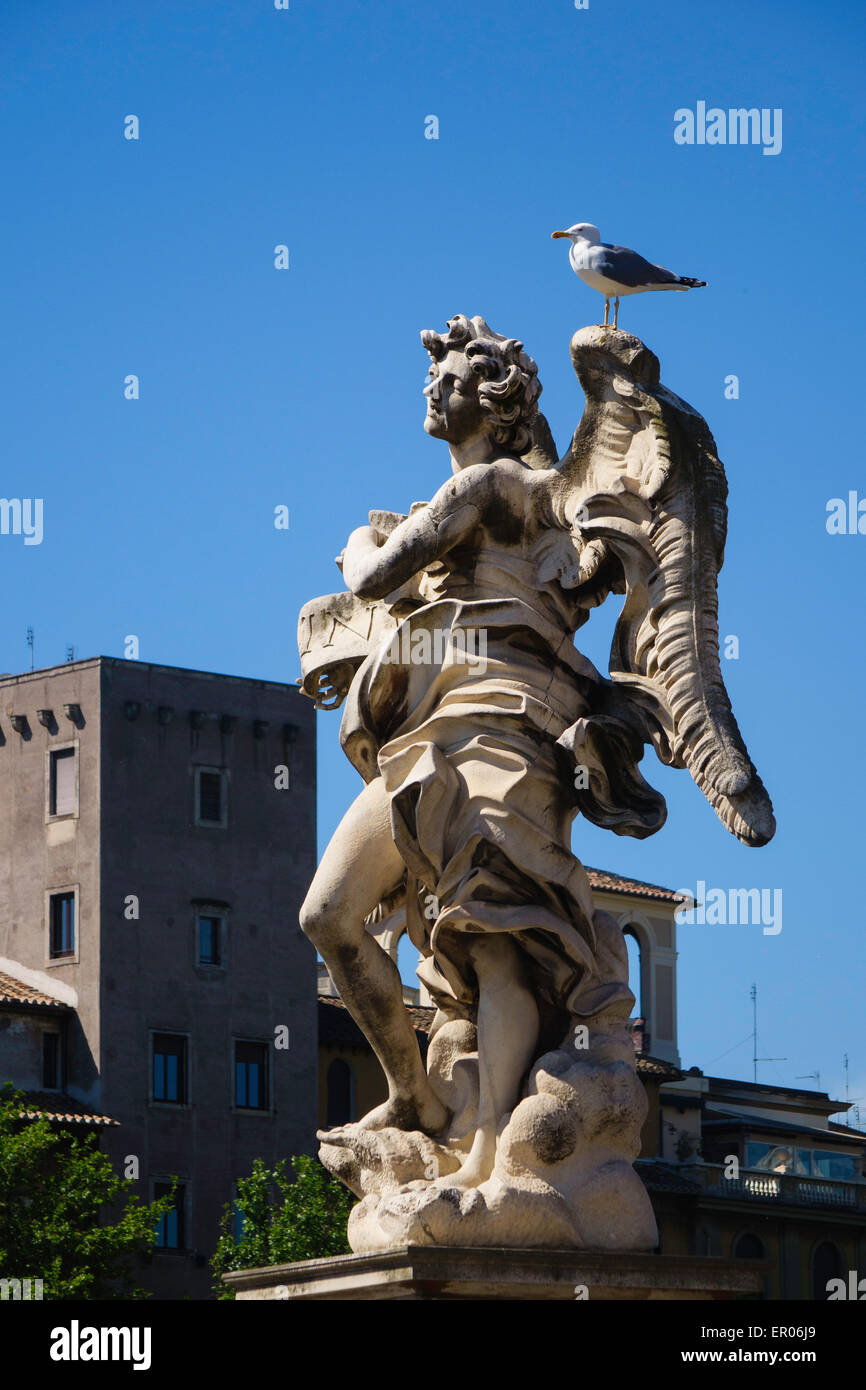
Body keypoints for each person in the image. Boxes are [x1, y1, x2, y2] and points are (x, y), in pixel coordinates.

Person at [300, 316, 629, 1186]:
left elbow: (370, 577)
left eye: (445, 379)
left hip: (501, 730)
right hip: (430, 736)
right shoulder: (483, 503)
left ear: (492, 399)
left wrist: (359, 547)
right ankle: (415, 1096)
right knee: (329, 916)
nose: (430, 389)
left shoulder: (493, 485)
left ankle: (490, 1150)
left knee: (495, 940)